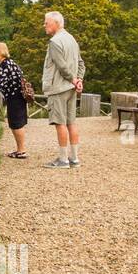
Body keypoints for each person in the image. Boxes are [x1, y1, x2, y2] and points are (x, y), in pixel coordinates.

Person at [41, 11, 85, 168]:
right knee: (71, 122)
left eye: (47, 22)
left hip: (58, 87)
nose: (44, 25)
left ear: (56, 23)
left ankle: (62, 159)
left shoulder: (55, 42)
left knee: (60, 123)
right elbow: (81, 63)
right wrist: (78, 80)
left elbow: (61, 66)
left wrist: (73, 79)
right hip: (71, 88)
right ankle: (74, 158)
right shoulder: (72, 39)